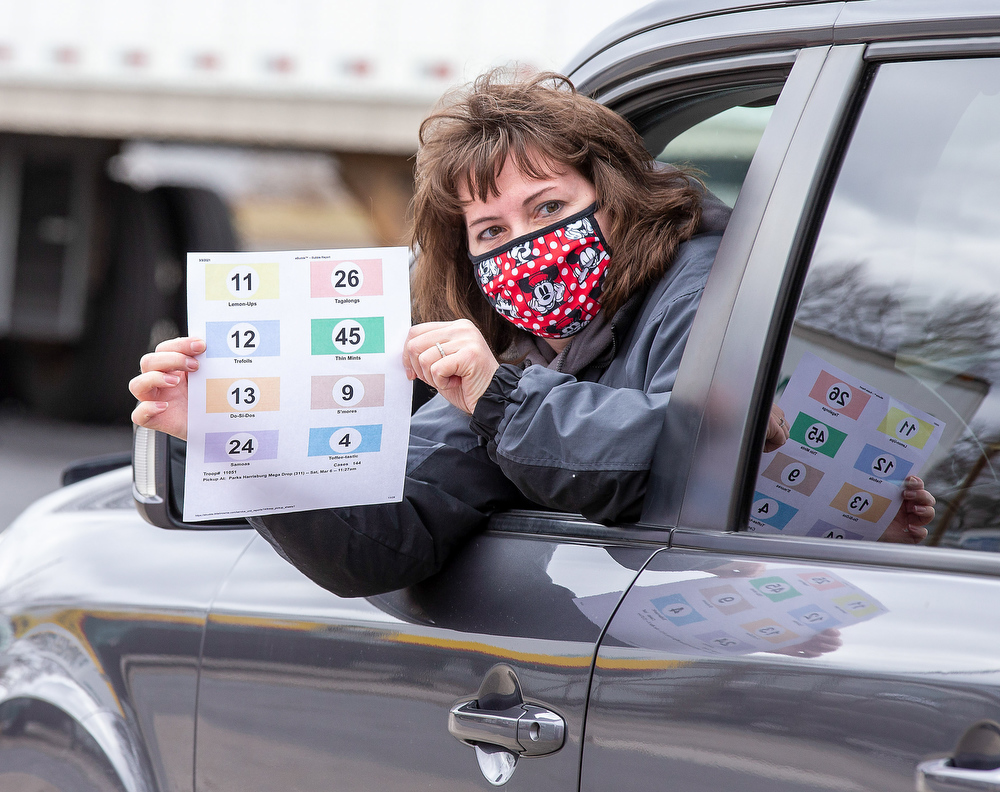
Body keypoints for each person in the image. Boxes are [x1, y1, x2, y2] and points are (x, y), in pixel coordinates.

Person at [130, 70, 935, 596]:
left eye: (549, 208)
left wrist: (497, 395)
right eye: (490, 231)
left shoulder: (706, 287)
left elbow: (693, 447)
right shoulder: (519, 362)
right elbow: (385, 541)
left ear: (616, 199)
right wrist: (235, 434)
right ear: (468, 261)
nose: (526, 245)